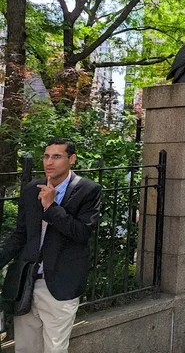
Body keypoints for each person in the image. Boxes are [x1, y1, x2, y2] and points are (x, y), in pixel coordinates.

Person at [0, 138, 101, 353]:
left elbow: (81, 233)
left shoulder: (88, 190)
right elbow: (20, 235)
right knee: (26, 348)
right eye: (46, 156)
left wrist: (51, 206)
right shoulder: (31, 189)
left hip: (60, 286)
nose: (49, 162)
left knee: (55, 349)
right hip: (27, 281)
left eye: (57, 156)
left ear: (71, 159)